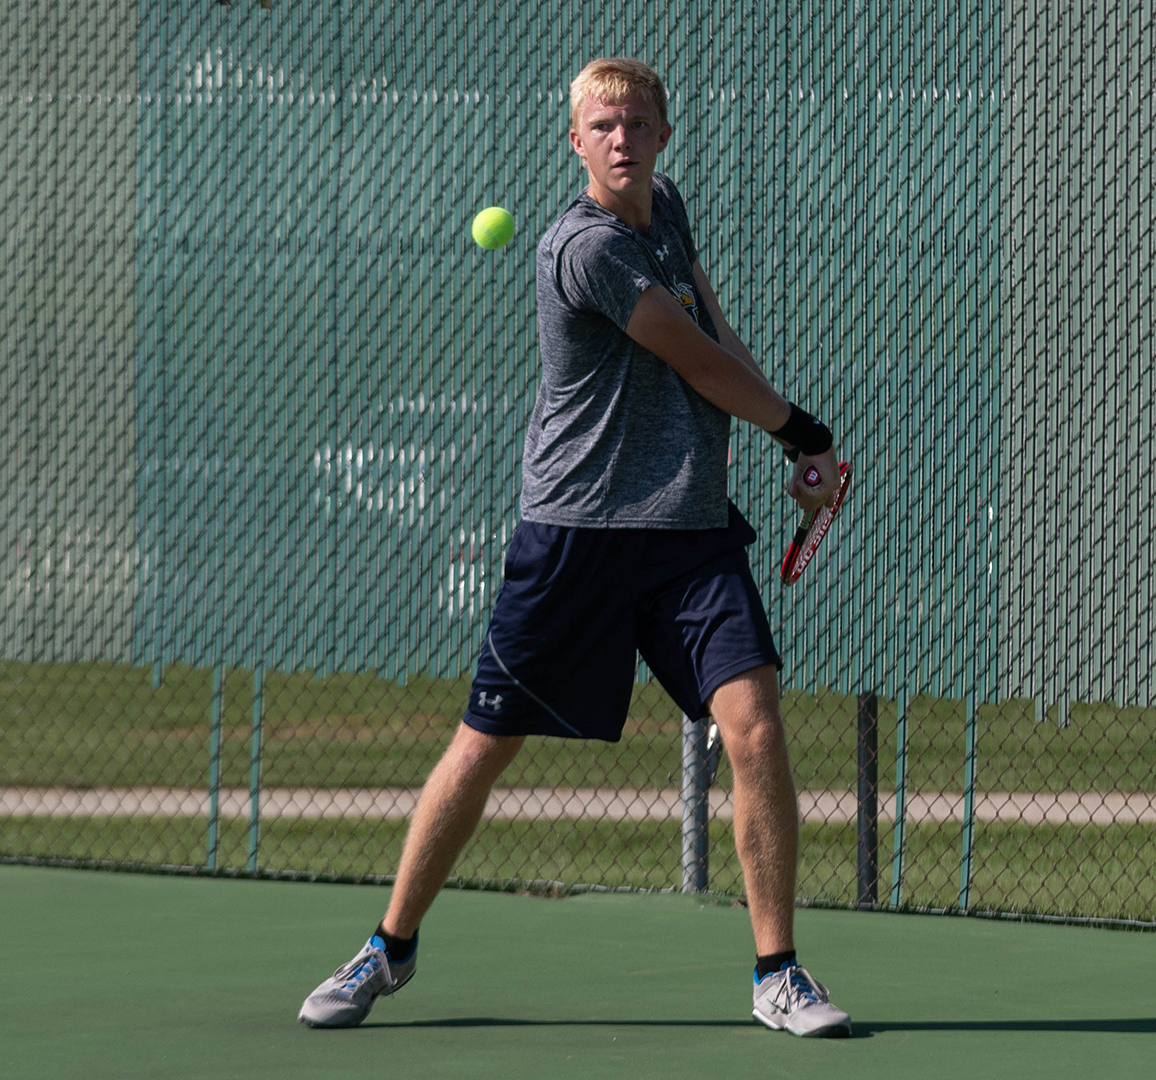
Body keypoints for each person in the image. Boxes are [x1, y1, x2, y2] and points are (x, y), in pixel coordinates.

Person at [298, 57, 850, 1038]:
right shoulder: (581, 248)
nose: (622, 139)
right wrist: (800, 432)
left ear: (663, 135)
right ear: (575, 142)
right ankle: (388, 947)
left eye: (637, 122)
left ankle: (779, 972)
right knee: (484, 744)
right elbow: (688, 356)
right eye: (602, 125)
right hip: (575, 537)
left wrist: (797, 445)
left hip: (686, 537)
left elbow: (718, 337)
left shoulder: (666, 208)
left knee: (756, 726)